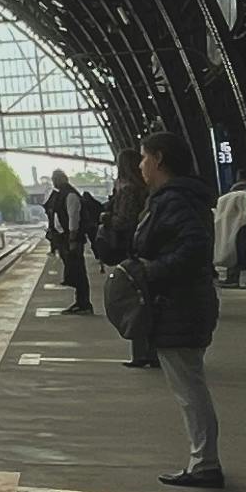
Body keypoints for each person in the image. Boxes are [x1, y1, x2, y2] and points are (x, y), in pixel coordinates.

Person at [126, 123, 224, 487]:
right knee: (190, 385)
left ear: (159, 159)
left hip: (179, 305)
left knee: (189, 390)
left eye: (144, 158)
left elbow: (195, 246)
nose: (140, 166)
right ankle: (203, 459)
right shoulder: (183, 197)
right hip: (185, 303)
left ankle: (205, 464)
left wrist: (152, 271)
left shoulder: (174, 199)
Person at [91, 155, 158, 364]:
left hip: (131, 250)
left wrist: (106, 218)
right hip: (144, 248)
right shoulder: (144, 188)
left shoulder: (127, 190)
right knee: (146, 300)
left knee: (135, 301)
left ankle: (142, 353)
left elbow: (124, 221)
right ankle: (149, 352)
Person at [41, 167, 94, 312]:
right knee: (74, 269)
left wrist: (72, 239)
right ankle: (80, 302)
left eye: (55, 179)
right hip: (64, 238)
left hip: (72, 239)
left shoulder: (70, 195)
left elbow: (73, 219)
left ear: (62, 179)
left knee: (78, 270)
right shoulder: (62, 194)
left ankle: (84, 303)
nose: (54, 182)